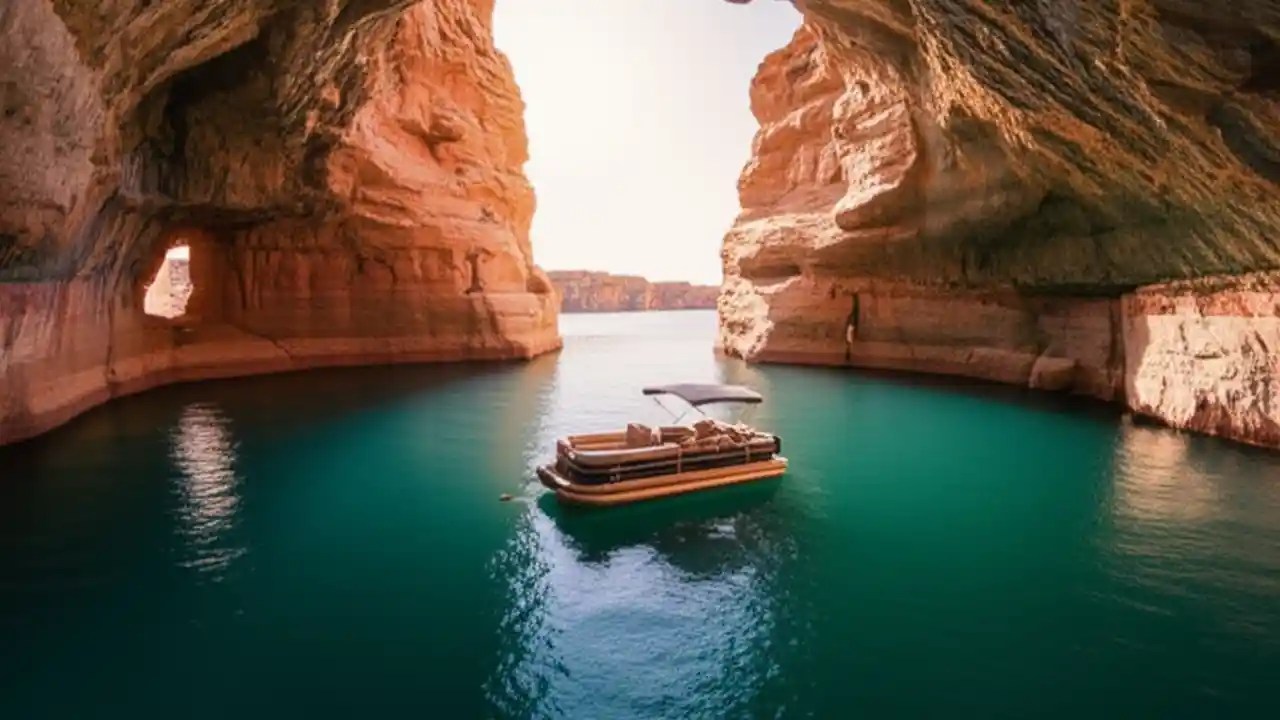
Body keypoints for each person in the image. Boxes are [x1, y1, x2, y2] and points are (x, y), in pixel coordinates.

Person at [844, 293, 859, 363]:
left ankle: (855, 297)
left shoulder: (849, 342)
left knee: (855, 310)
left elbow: (849, 332)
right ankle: (855, 297)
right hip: (852, 326)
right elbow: (850, 332)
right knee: (855, 310)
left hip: (851, 326)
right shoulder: (849, 342)